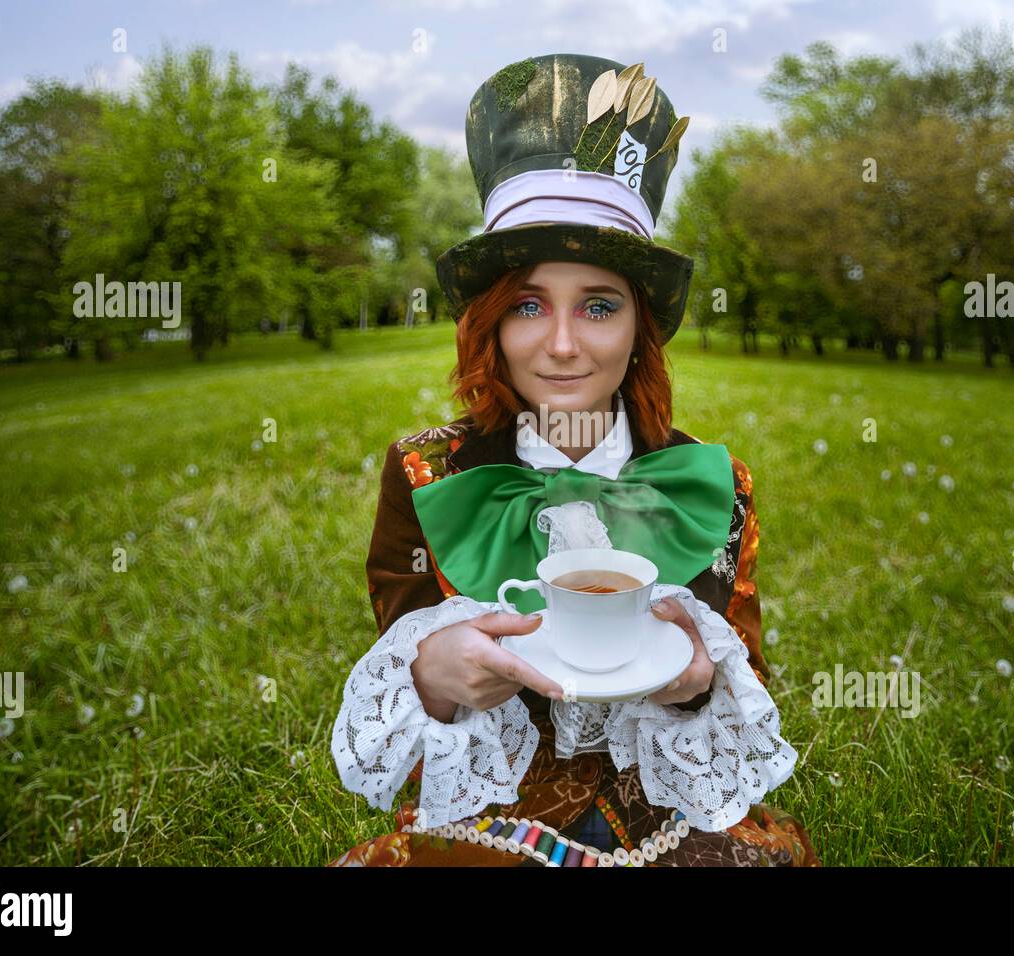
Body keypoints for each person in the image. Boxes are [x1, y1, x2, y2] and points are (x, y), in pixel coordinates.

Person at [328, 52, 819, 867]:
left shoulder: (710, 481)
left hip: (670, 814)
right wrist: (433, 675)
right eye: (528, 305)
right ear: (490, 325)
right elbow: (402, 657)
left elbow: (747, 680)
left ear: (639, 329)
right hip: (487, 820)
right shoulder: (427, 473)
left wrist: (697, 686)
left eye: (598, 305)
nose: (561, 345)